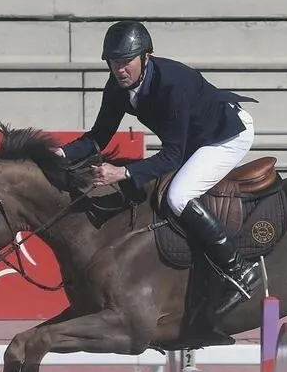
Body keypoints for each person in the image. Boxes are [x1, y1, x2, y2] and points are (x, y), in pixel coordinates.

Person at [55, 20, 262, 315]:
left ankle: (239, 269)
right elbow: (97, 138)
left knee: (177, 196)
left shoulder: (172, 83)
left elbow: (174, 155)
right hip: (194, 139)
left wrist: (123, 172)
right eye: (113, 63)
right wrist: (58, 154)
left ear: (146, 58)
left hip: (226, 136)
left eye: (126, 62)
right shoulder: (116, 87)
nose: (119, 70)